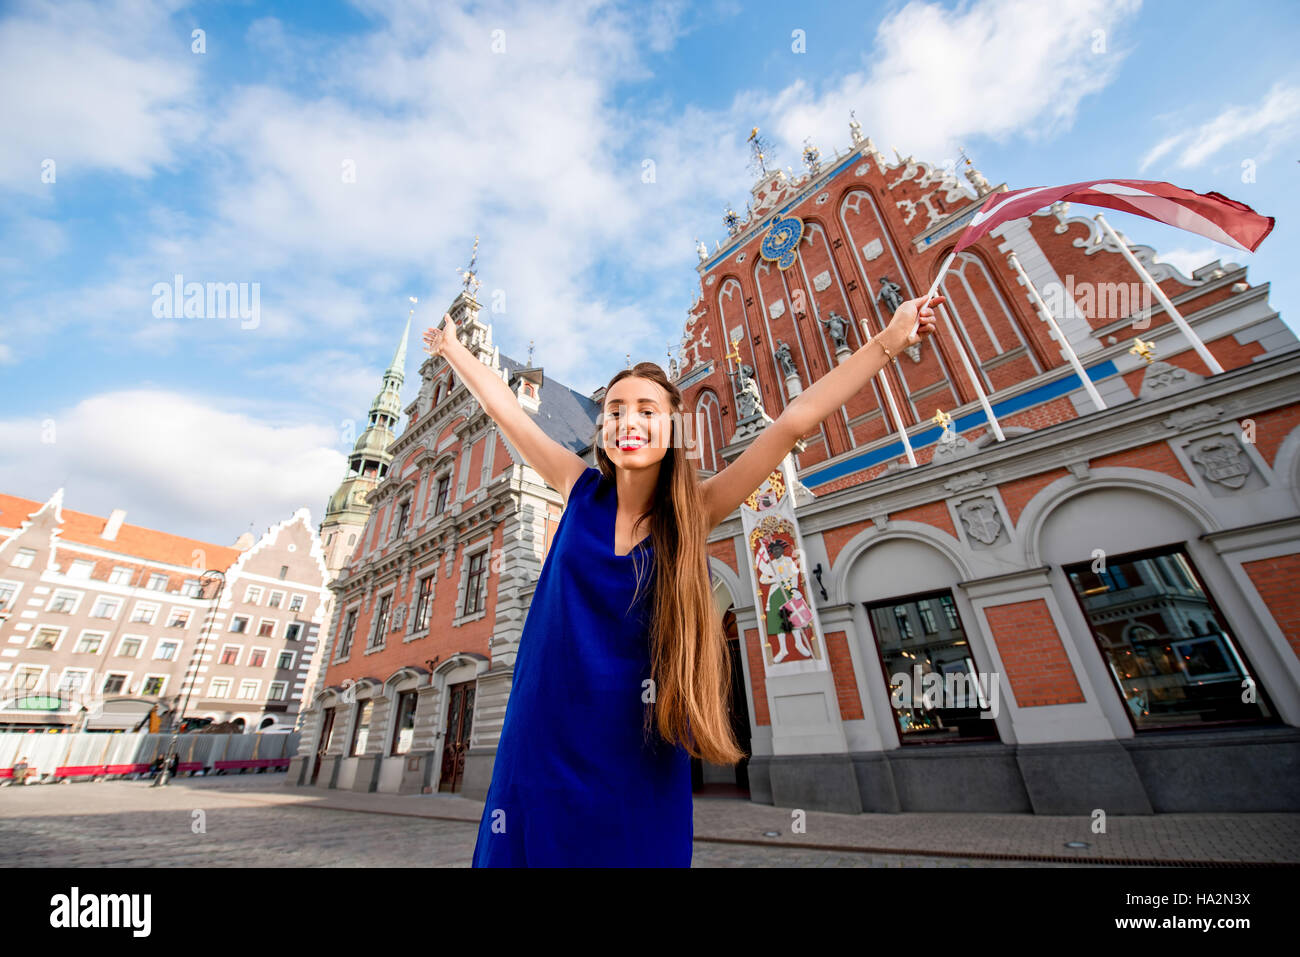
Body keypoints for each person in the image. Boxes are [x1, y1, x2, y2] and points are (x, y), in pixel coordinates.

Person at [424, 292, 942, 867]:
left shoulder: (697, 508)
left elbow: (794, 421)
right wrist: (452, 350)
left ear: (673, 427)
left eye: (647, 410)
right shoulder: (578, 489)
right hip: (544, 725)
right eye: (616, 410)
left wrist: (892, 341)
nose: (628, 421)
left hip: (640, 732)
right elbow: (506, 411)